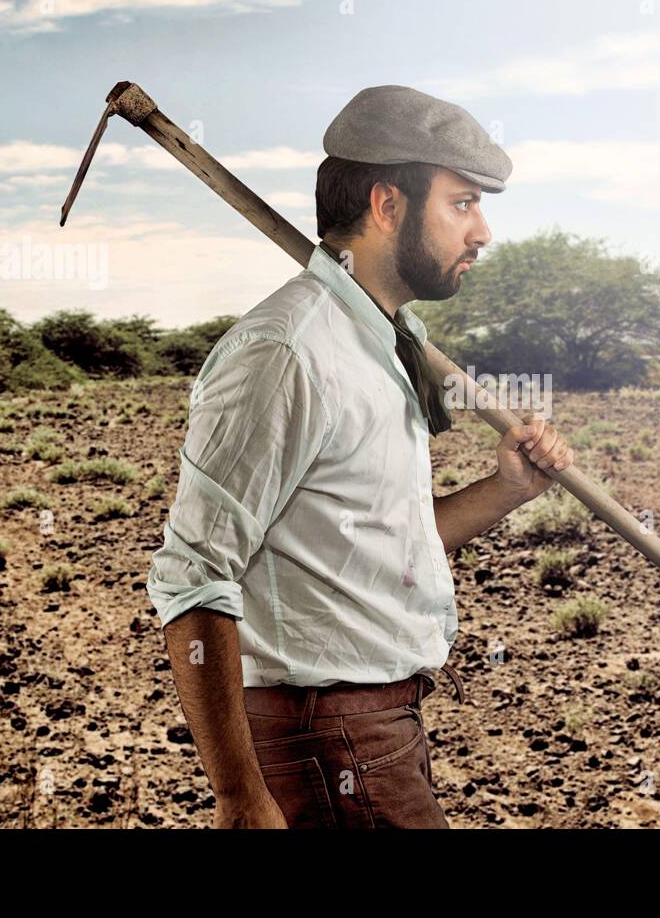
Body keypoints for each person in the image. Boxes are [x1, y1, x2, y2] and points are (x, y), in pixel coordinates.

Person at [145, 85, 575, 828]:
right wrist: (239, 797)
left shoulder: (381, 344)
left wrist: (507, 489)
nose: (484, 232)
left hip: (371, 735)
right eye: (464, 202)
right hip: (327, 743)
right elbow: (193, 579)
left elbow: (379, 541)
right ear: (388, 206)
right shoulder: (289, 352)